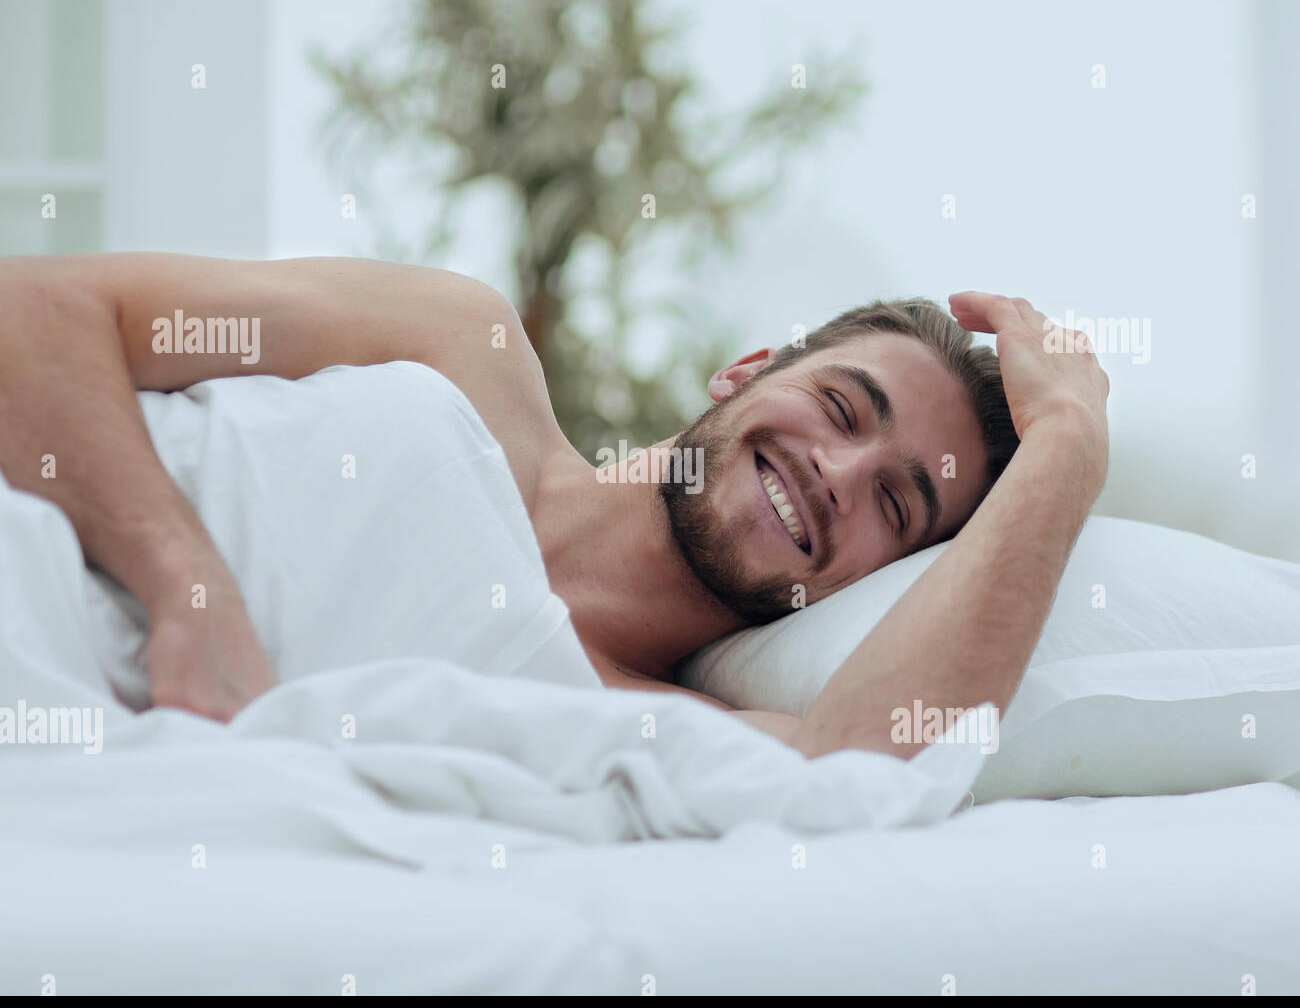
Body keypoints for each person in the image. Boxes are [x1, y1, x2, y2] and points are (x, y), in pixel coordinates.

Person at [0, 254, 1109, 759]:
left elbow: (868, 763)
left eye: (900, 505)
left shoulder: (657, 733)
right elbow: (36, 308)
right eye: (839, 405)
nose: (839, 472)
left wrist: (1068, 444)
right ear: (743, 370)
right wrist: (185, 591)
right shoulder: (458, 345)